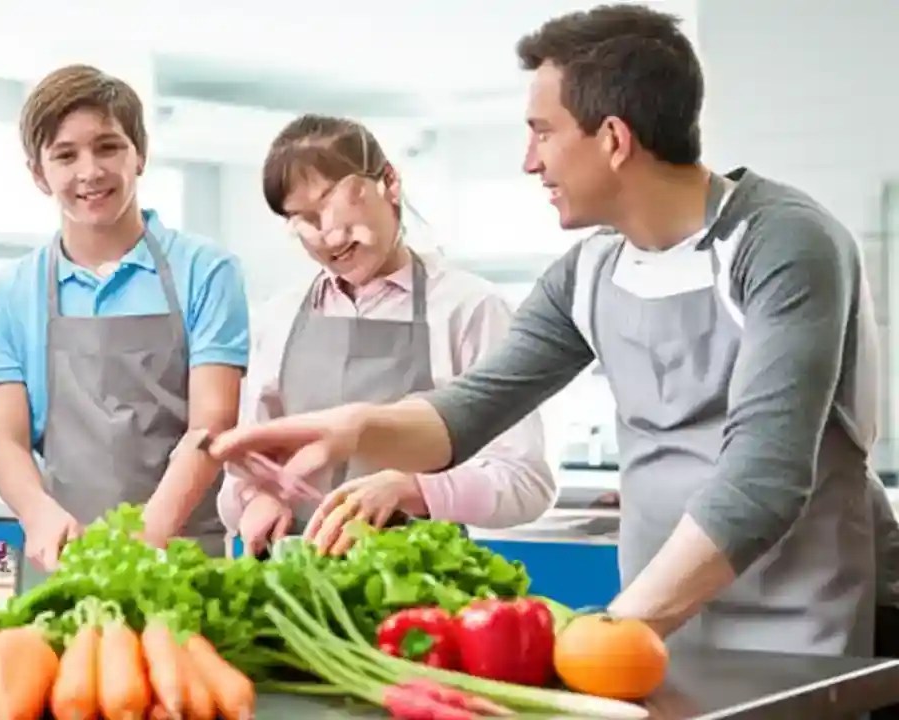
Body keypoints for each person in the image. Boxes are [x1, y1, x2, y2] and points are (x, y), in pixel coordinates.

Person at [210, 2, 899, 665]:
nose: (528, 161)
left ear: (613, 139)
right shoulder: (592, 269)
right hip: (659, 629)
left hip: (802, 634)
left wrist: (613, 630)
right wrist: (350, 430)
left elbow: (764, 480)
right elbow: (472, 407)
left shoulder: (782, 242)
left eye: (541, 131)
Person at [218, 114, 556, 558]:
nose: (326, 237)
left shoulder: (468, 308)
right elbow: (242, 475)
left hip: (420, 588)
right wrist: (253, 499)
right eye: (302, 219)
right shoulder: (278, 318)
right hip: (292, 592)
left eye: (331, 206)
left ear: (389, 183)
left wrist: (413, 489)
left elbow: (526, 481)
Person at [0, 65, 250, 582]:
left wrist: (152, 533)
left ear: (139, 154)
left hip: (186, 556)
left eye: (108, 147)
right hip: (66, 559)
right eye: (65, 155)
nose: (90, 171)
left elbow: (212, 421)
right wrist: (37, 512)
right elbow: (4, 437)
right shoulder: (10, 290)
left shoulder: (207, 271)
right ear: (38, 173)